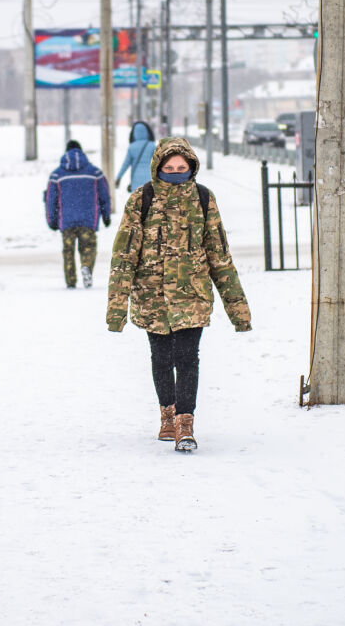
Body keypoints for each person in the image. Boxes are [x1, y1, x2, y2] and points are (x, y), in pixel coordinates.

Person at [106, 137, 251, 452]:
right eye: (169, 168)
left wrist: (238, 311)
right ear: (158, 167)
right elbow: (124, 256)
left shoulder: (203, 198)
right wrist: (116, 309)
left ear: (191, 167)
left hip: (192, 295)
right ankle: (167, 416)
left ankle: (185, 423)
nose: (175, 173)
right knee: (161, 358)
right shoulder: (141, 199)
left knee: (187, 358)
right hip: (152, 297)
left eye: (181, 167)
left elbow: (219, 256)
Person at [45, 139, 111, 289]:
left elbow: (50, 199)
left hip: (66, 220)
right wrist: (106, 215)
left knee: (68, 251)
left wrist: (52, 220)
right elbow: (104, 195)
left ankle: (70, 281)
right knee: (88, 247)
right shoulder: (94, 172)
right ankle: (86, 265)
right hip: (88, 219)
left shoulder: (57, 175)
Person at [115, 120, 156, 193]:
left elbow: (125, 165)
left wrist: (119, 177)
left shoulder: (132, 147)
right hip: (149, 179)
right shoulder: (152, 146)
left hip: (135, 181)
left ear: (134, 133)